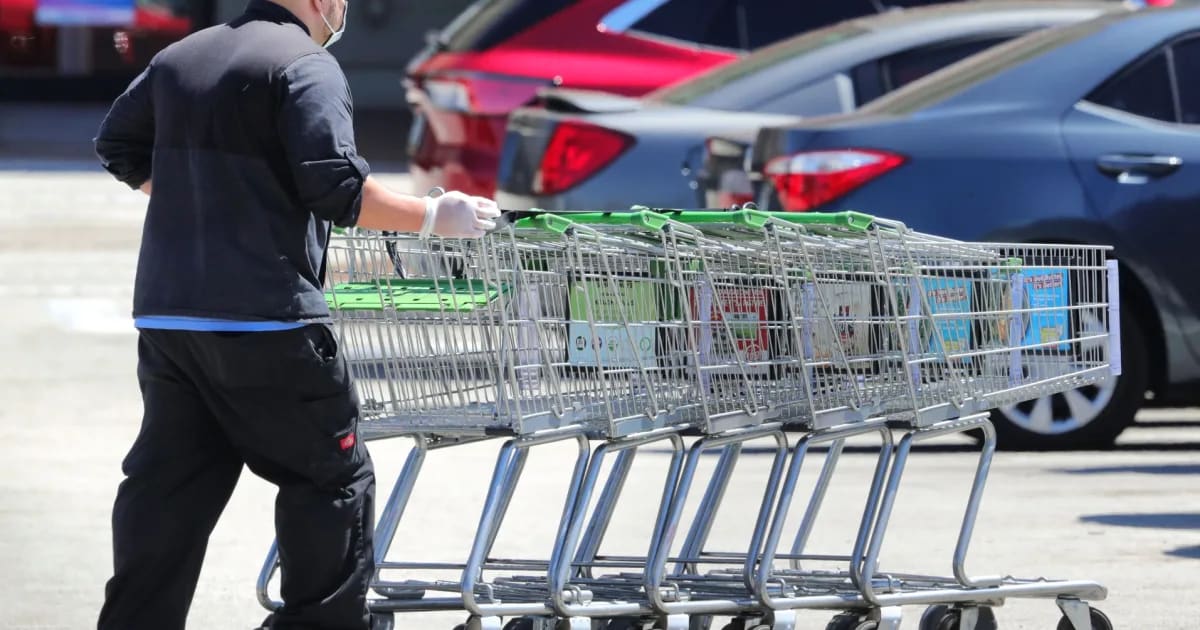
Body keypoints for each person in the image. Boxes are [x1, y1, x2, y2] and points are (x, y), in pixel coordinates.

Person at [92, 0, 500, 627]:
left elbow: (119, 144)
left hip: (172, 319)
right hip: (270, 319)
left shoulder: (181, 57)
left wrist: (200, 194)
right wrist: (432, 217)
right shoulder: (306, 66)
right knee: (332, 479)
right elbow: (337, 186)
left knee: (168, 488)